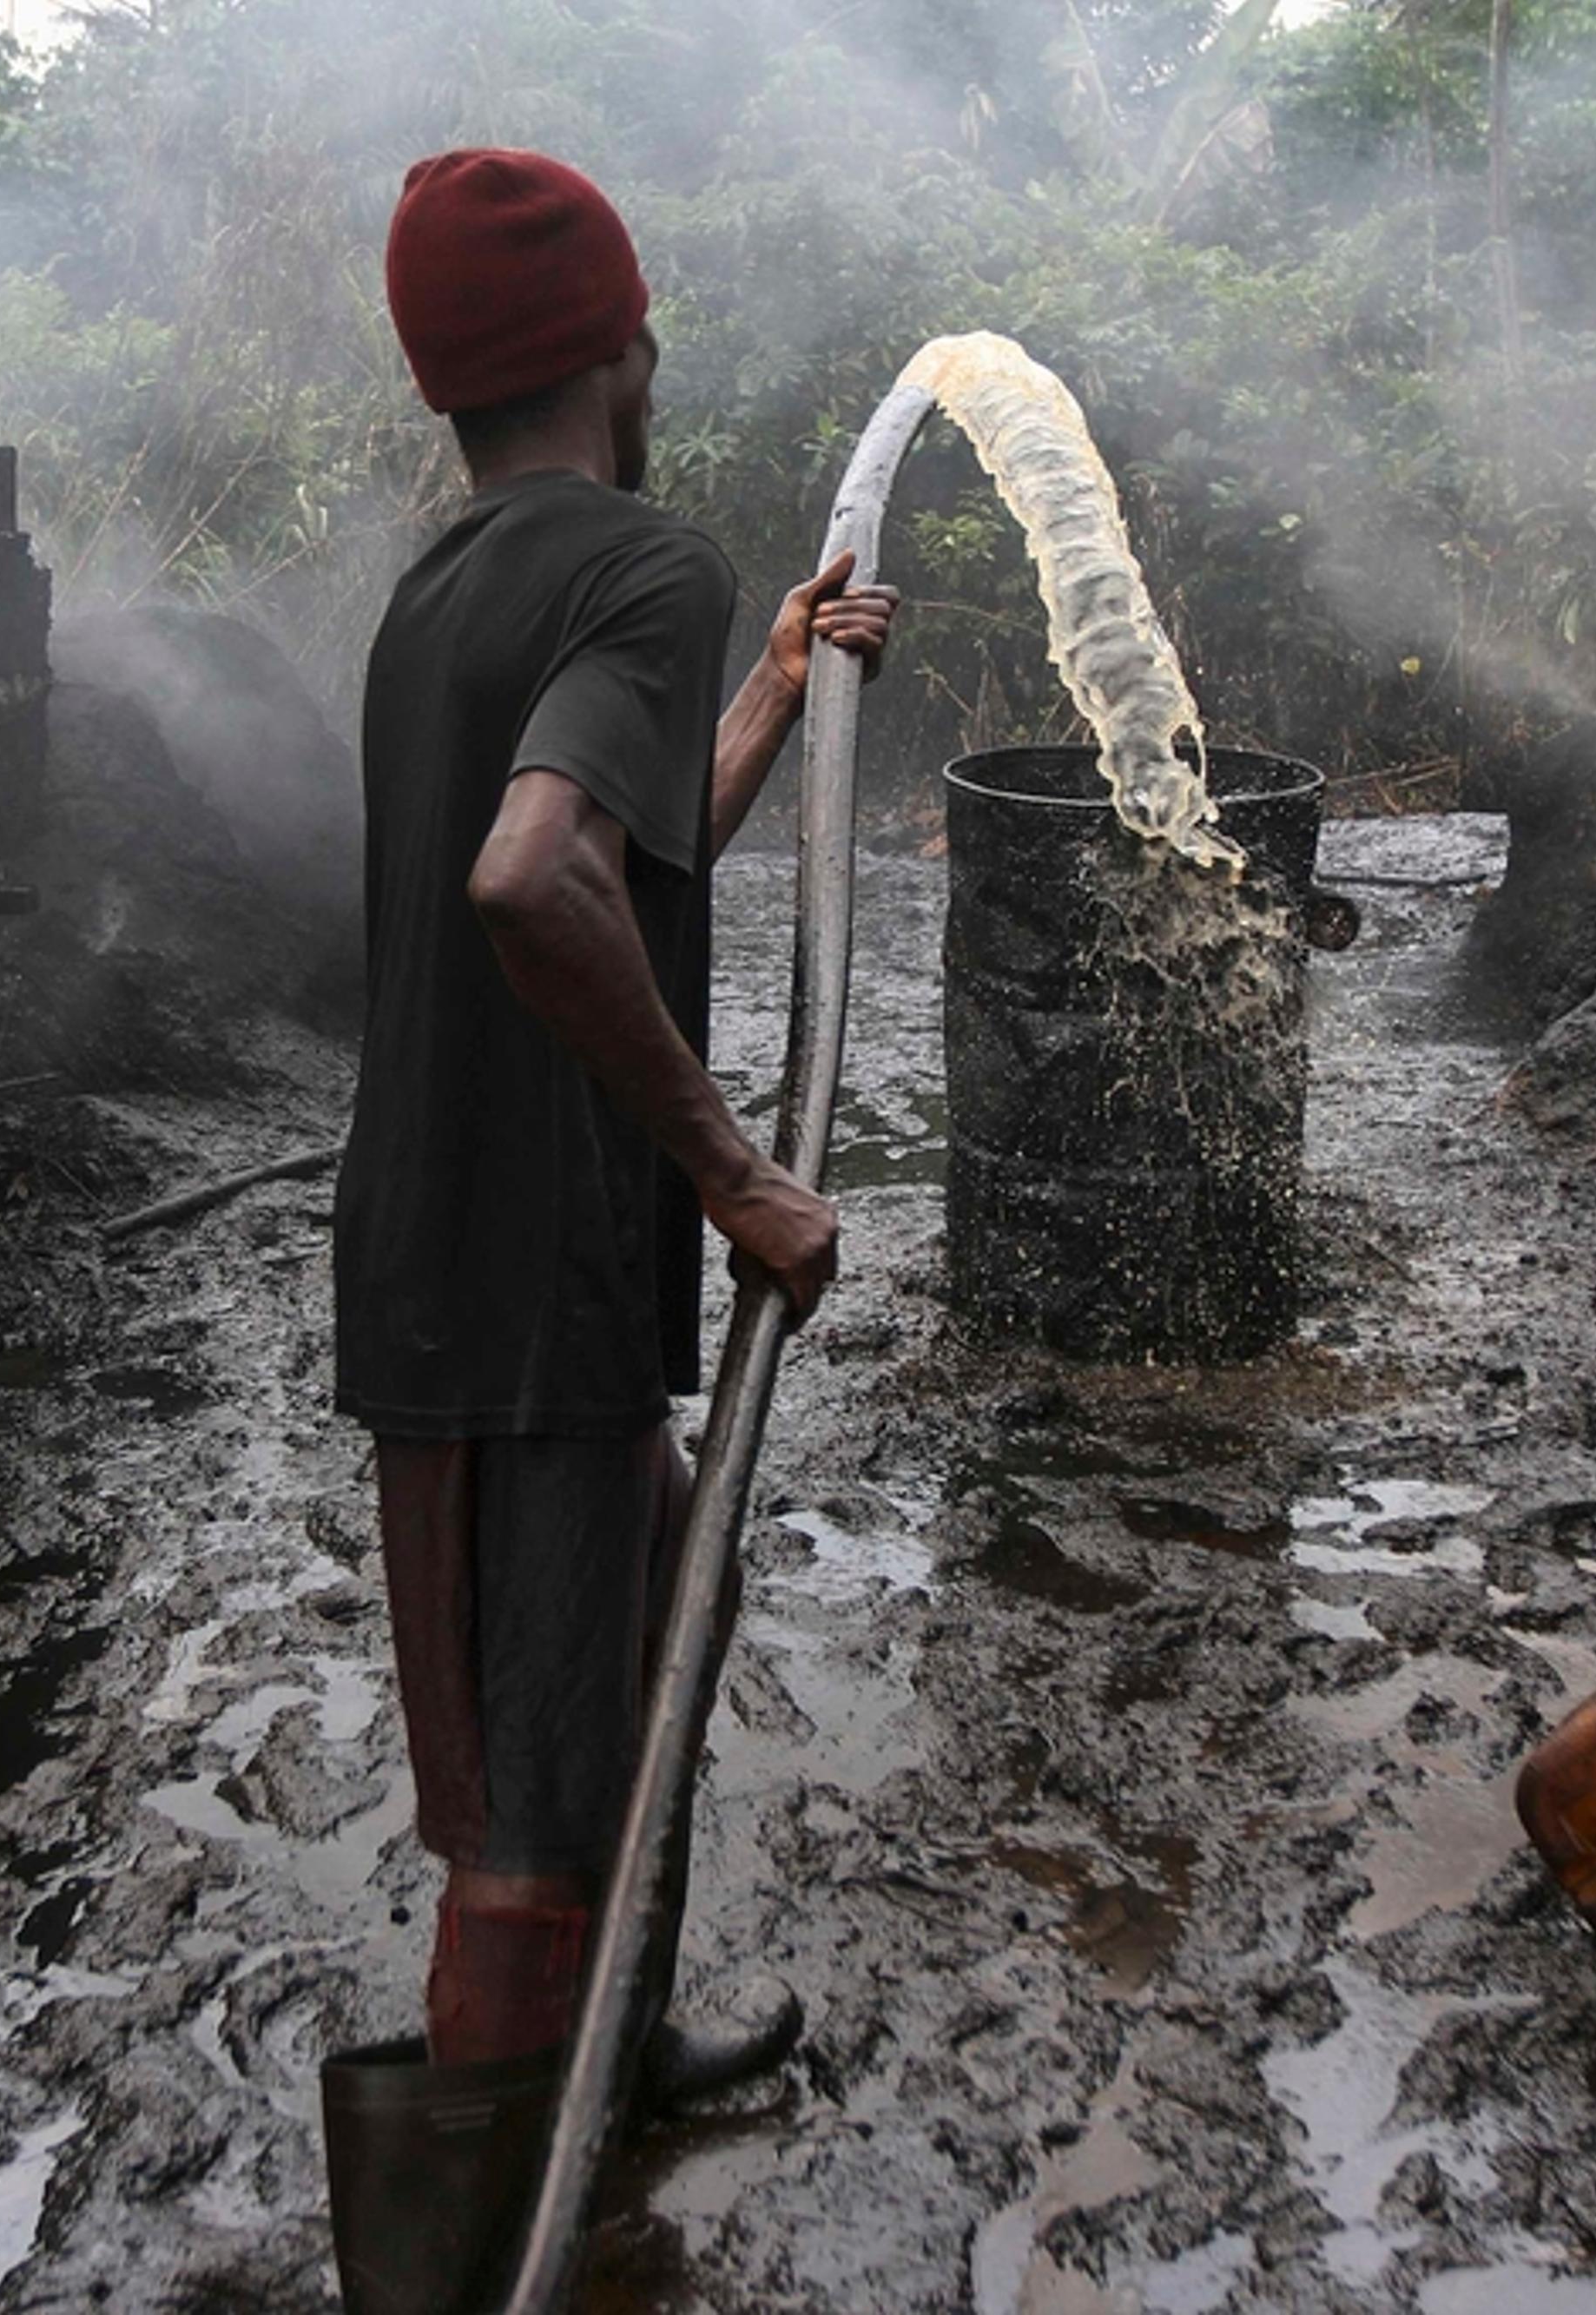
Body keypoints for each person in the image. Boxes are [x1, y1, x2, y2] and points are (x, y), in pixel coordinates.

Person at [334, 147, 897, 2109]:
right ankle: (503, 2200)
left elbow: (612, 866)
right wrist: (734, 1175)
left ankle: (613, 2051)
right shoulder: (645, 564)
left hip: (452, 1262)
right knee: (530, 1815)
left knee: (645, 1617)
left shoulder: (439, 593)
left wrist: (763, 700)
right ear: (616, 349)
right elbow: (532, 881)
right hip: (525, 1281)